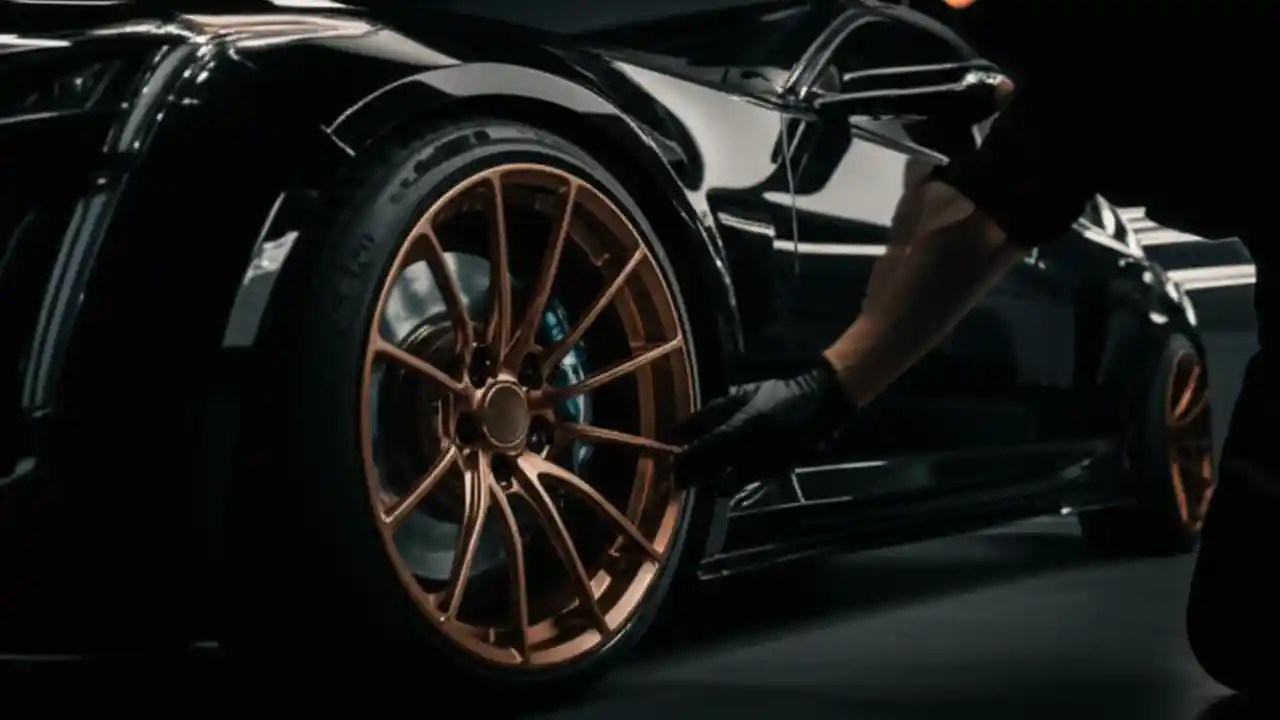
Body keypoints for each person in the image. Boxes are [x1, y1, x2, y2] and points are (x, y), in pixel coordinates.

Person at [674, 0, 1276, 702]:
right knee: (1242, 637)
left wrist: (826, 391)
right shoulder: (1083, 82)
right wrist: (828, 389)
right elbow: (1003, 200)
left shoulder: (1113, 45)